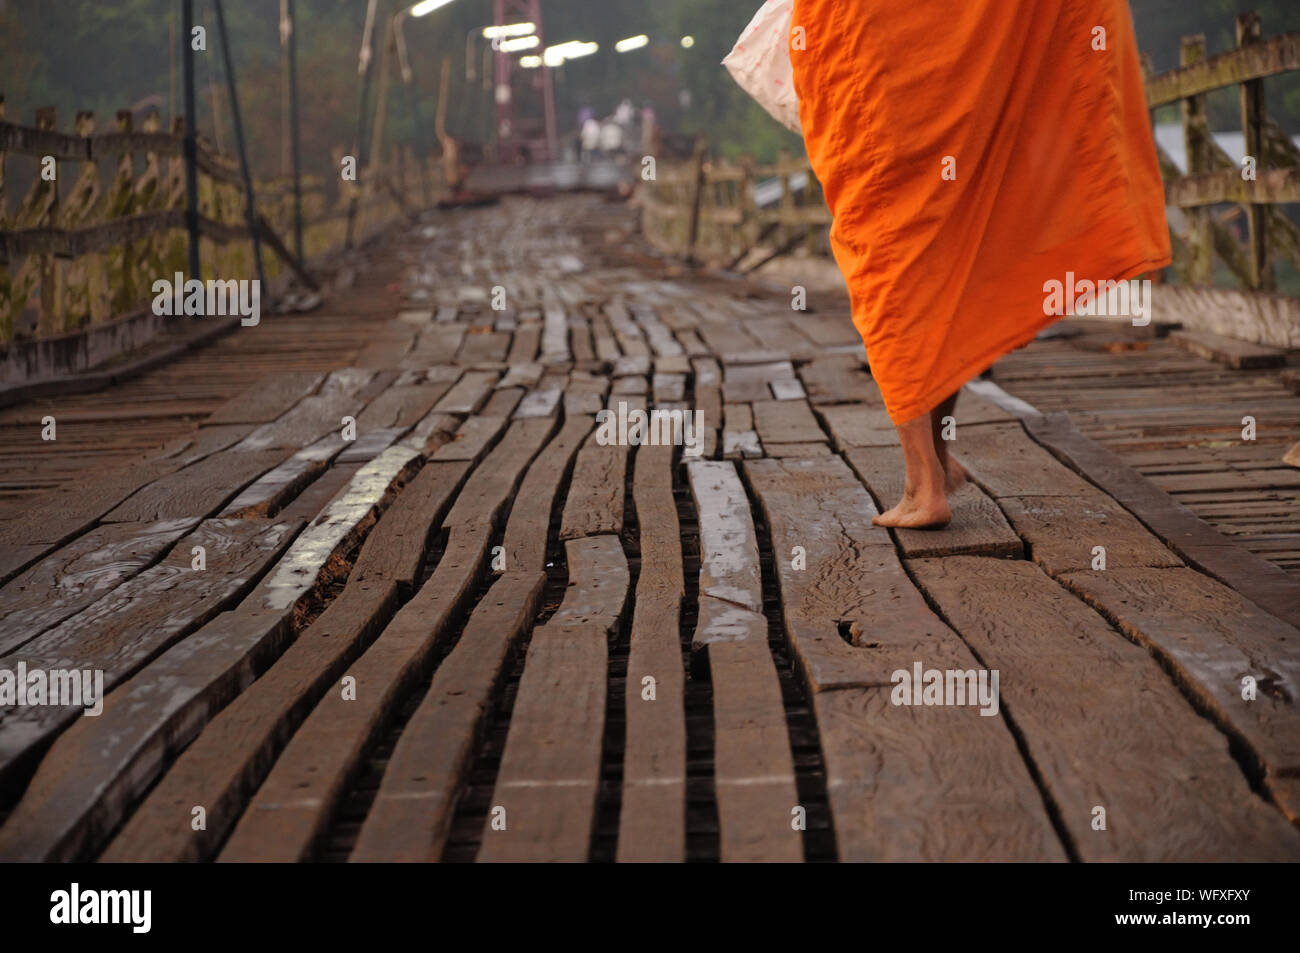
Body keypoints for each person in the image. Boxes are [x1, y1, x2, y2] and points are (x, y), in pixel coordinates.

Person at [791, 0, 1171, 528]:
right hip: (944, 62)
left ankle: (922, 487)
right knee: (949, 262)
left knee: (889, 263)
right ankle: (937, 465)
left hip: (885, 64)